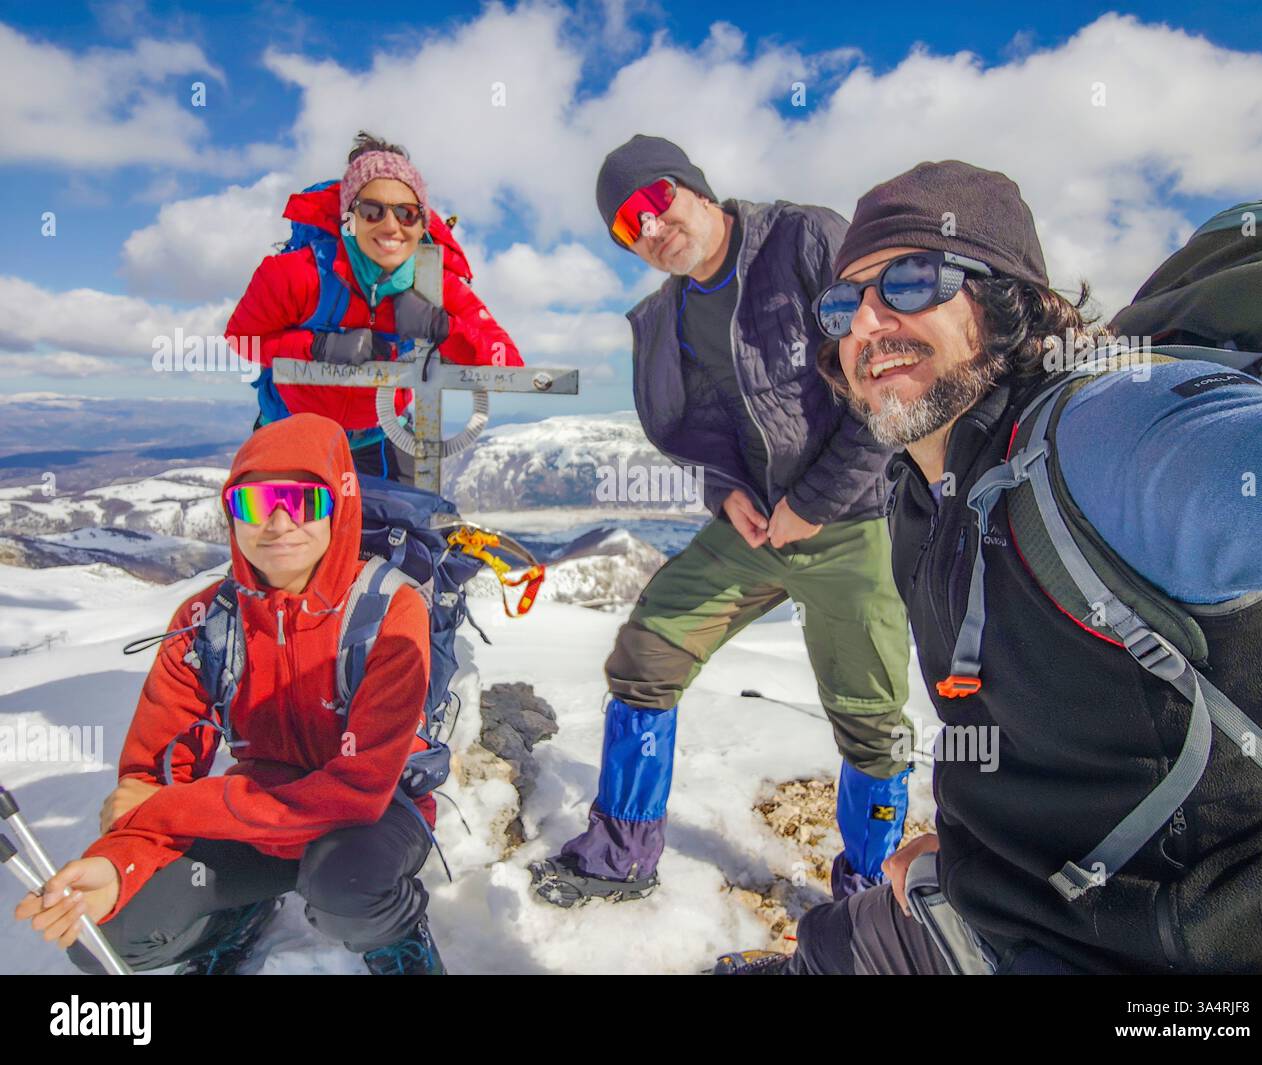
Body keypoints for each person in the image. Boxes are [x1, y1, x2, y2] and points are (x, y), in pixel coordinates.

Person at [724, 160, 1262, 974]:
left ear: (1008, 301)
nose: (864, 325)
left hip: (1174, 955)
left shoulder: (1109, 434)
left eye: (912, 281)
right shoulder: (920, 493)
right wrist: (972, 851)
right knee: (820, 944)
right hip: (987, 909)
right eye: (844, 303)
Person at [530, 135, 912, 907]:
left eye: (654, 201)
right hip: (758, 527)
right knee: (647, 651)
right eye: (625, 228)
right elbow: (711, 428)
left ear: (695, 187)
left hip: (856, 520)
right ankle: (621, 852)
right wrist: (721, 492)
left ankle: (874, 897)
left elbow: (890, 381)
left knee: (872, 718)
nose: (648, 229)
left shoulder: (804, 239)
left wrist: (813, 504)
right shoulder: (669, 315)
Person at [12, 414, 445, 975]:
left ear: (338, 505)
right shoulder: (205, 623)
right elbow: (153, 777)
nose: (279, 522)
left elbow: (356, 793)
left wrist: (166, 810)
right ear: (231, 514)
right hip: (254, 822)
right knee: (107, 936)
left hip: (374, 819)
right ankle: (238, 917)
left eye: (303, 500)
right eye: (254, 503)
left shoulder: (389, 610)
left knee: (346, 887)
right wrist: (120, 865)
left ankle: (396, 933)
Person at [226, 131, 522, 482]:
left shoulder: (435, 285)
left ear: (423, 222)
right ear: (348, 218)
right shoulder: (297, 275)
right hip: (293, 427)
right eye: (371, 211)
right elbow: (242, 339)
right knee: (288, 531)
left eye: (407, 213)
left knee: (397, 533)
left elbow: (507, 364)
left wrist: (440, 327)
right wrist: (319, 347)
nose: (391, 226)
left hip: (381, 434)